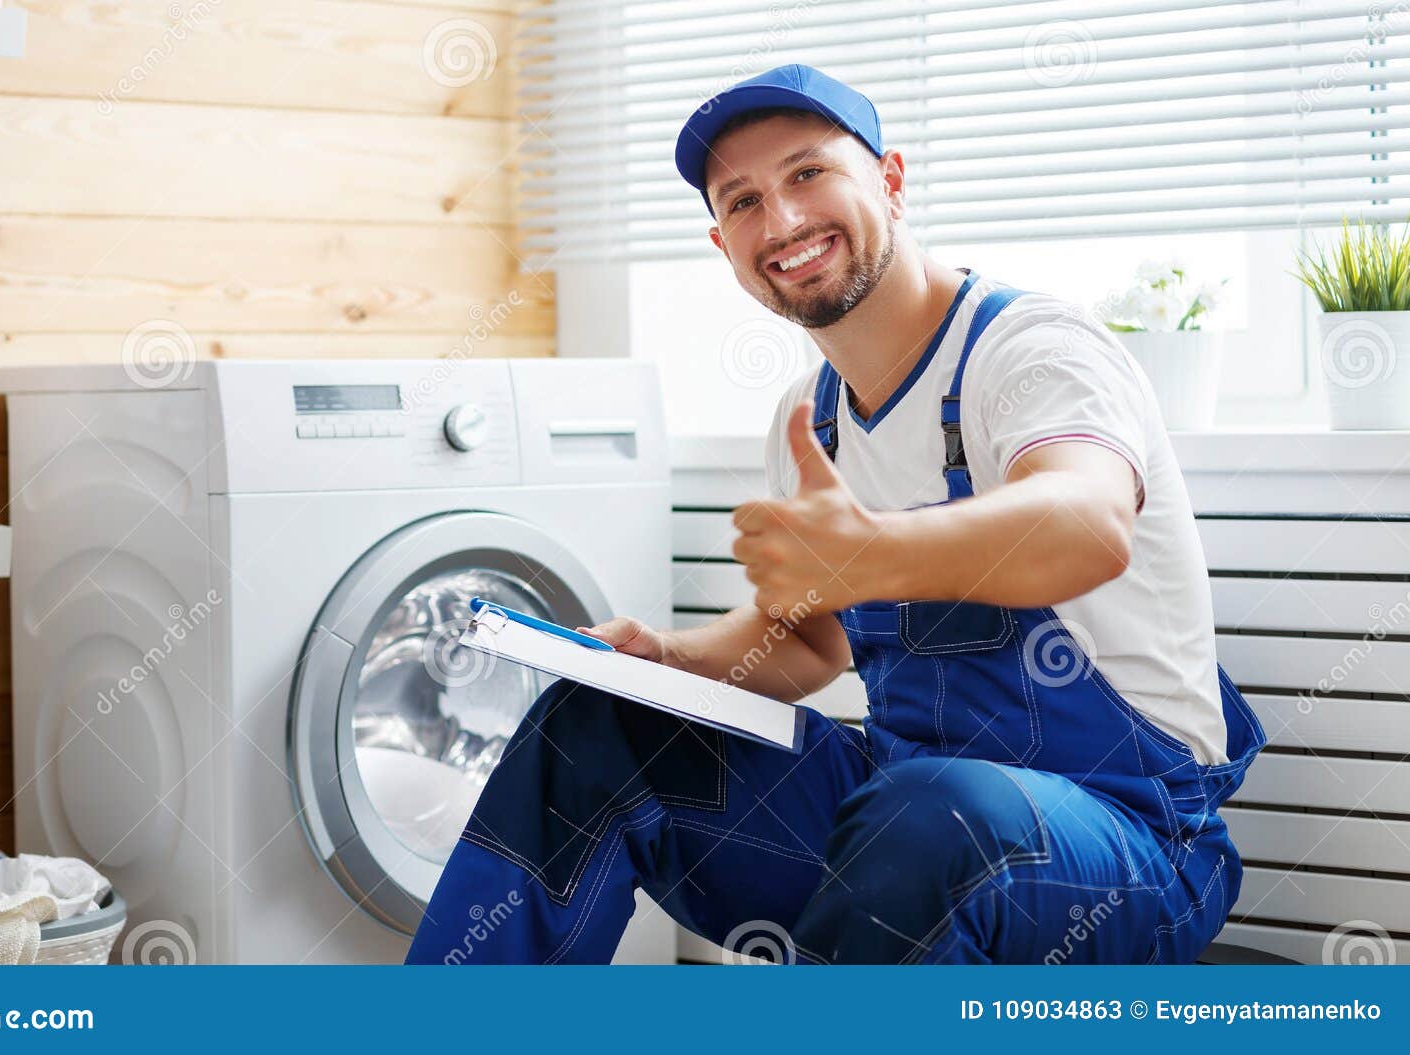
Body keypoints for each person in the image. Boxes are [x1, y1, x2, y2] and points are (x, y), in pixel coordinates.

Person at [405, 63, 1264, 965]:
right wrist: (669, 657)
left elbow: (1088, 523)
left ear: (890, 181)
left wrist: (876, 552)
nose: (779, 222)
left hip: (1127, 848)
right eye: (742, 202)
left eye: (808, 173)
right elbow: (812, 642)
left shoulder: (1030, 350)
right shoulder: (810, 417)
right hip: (898, 825)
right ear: (722, 245)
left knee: (929, 815)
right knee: (591, 729)